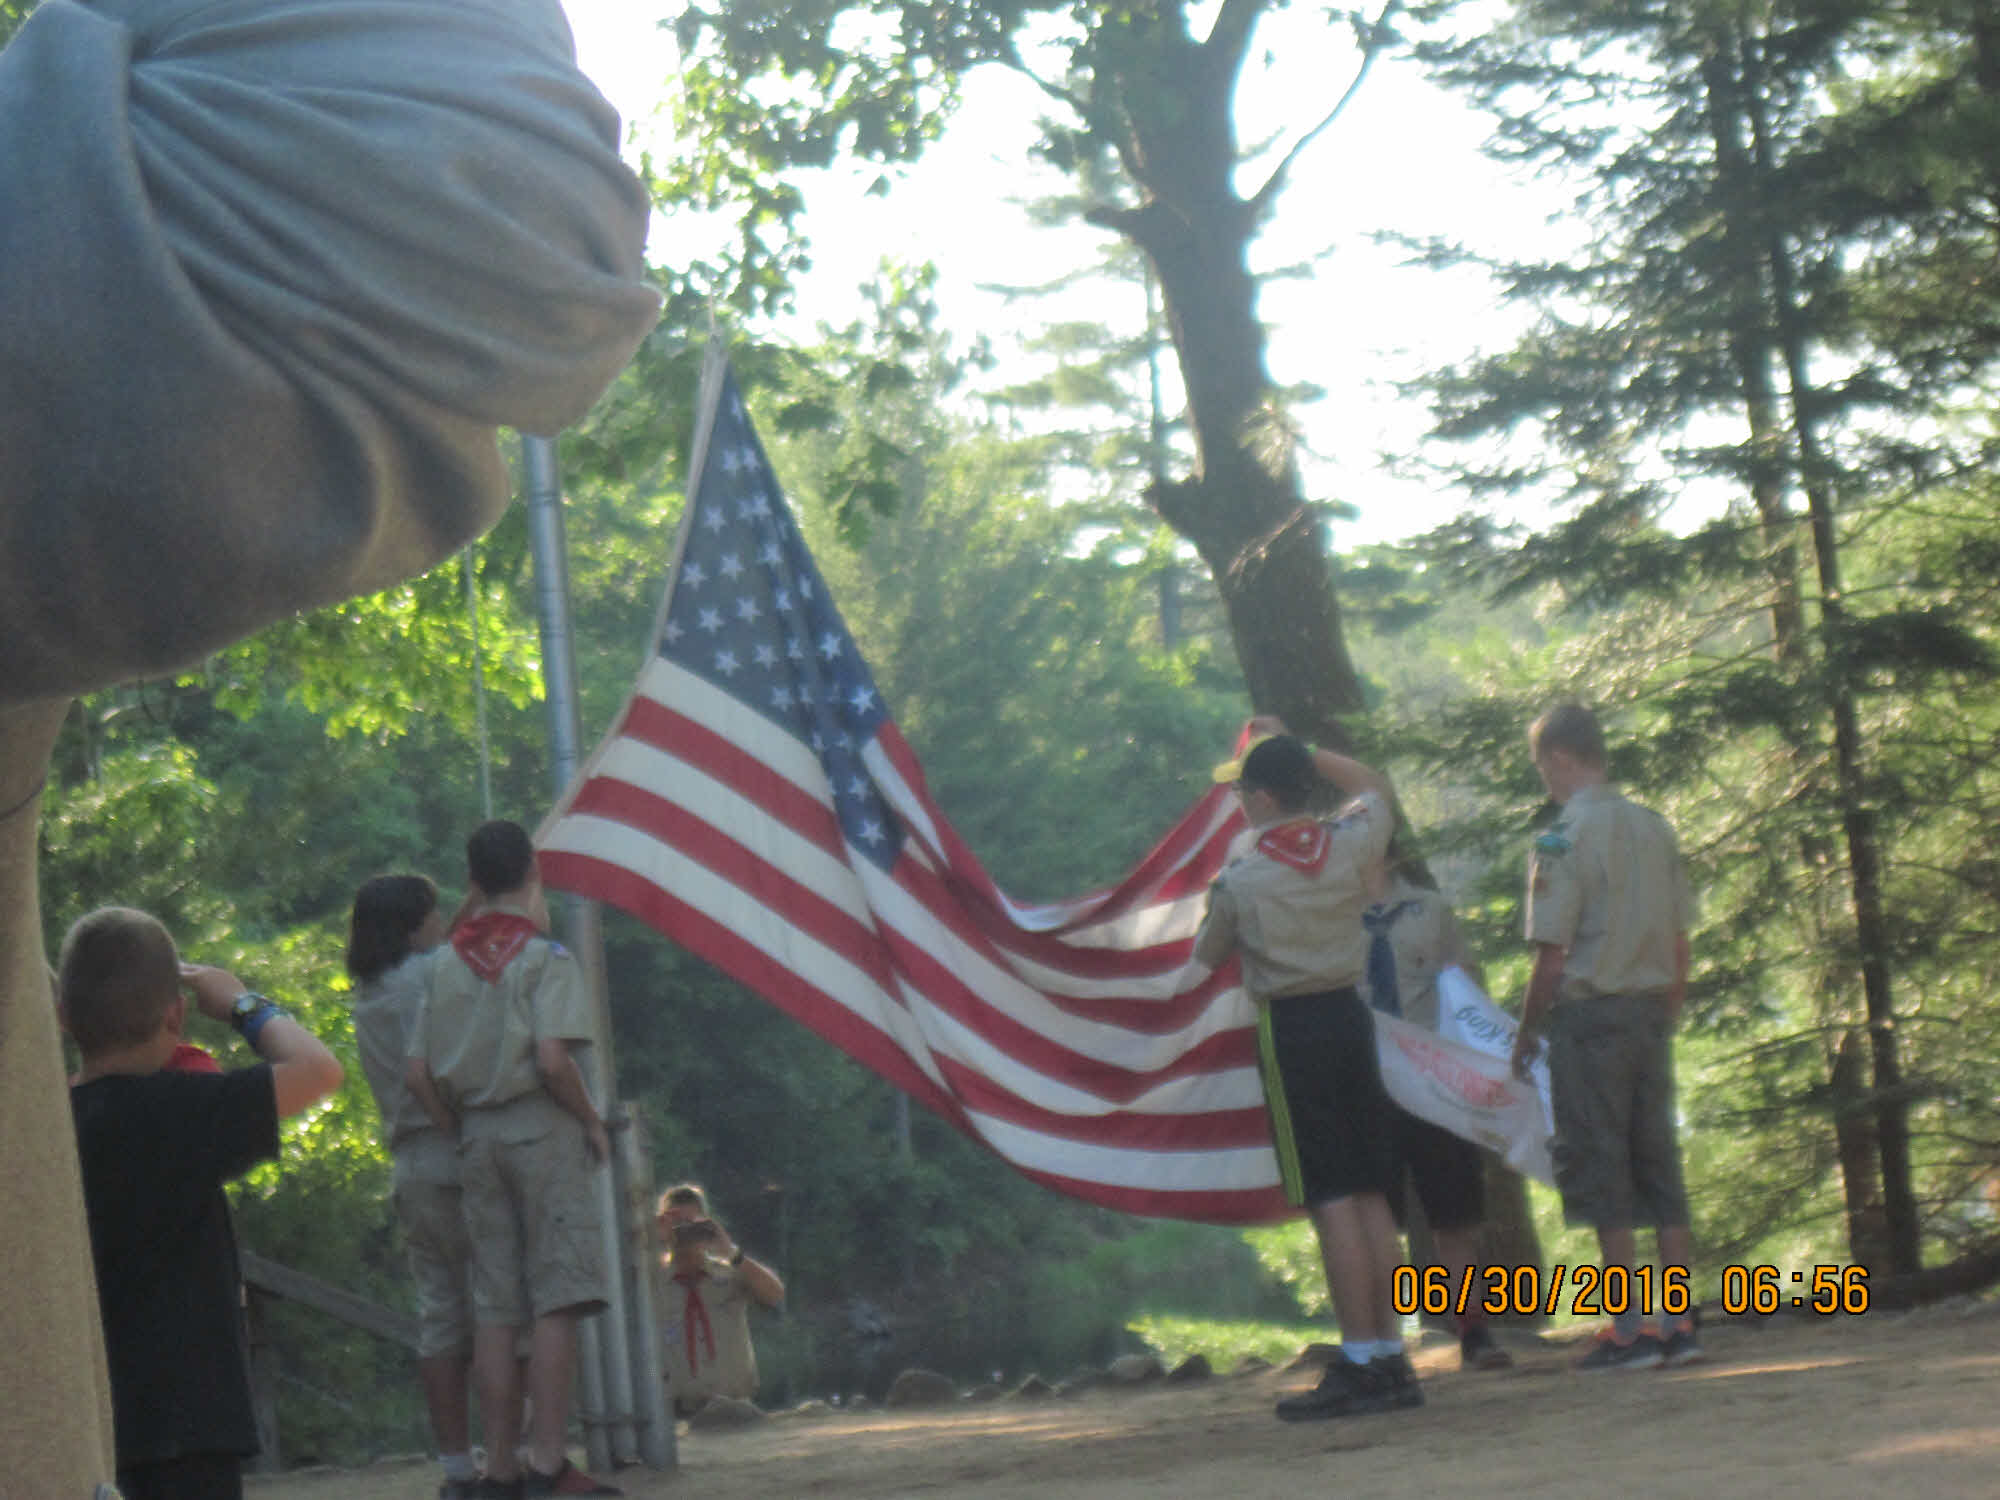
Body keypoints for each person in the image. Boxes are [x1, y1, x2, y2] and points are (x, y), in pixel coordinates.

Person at [0, 0, 656, 1488]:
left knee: (457, 1312)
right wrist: (237, 1005)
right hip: (256, 1361)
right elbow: (510, 193)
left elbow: (396, 1081)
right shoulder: (455, 988)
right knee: (546, 1305)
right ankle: (538, 1458)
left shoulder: (396, 990)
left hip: (433, 1157)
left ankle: (471, 1462)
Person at [62, 907, 346, 1500]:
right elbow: (319, 1069)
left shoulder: (45, 1130)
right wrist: (243, 1004)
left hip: (80, 1419)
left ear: (64, 1018)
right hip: (192, 1420)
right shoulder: (190, 1109)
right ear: (176, 1014)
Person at [1194, 722, 1418, 1421]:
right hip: (1352, 1019)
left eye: (1243, 791)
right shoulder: (1350, 843)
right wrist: (1303, 751)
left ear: (1263, 799)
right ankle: (1392, 1357)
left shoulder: (1242, 877)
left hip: (1293, 1030)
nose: (1238, 803)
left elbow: (1206, 953)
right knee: (1372, 1192)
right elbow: (1374, 786)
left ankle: (1360, 1361)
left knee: (1332, 1197)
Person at [407, 821, 619, 1499]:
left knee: (495, 1306)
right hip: (541, 1130)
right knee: (557, 1297)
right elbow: (552, 1060)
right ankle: (547, 1462)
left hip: (476, 1137)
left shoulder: (440, 965)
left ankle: (497, 1467)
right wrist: (591, 1120)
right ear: (532, 871)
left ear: (471, 880)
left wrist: (456, 1125)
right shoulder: (545, 958)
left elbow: (417, 1072)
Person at [1508, 703, 1701, 1370]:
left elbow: (1552, 955)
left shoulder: (1560, 841)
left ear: (1560, 758)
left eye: (1541, 766)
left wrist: (1526, 1031)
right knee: (1659, 1164)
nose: (1543, 779)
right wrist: (1667, 1011)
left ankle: (1627, 1330)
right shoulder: (1654, 827)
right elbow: (1679, 939)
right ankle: (1679, 1323)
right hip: (1650, 1013)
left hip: (1591, 1021)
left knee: (1603, 1168)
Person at [347, 874, 487, 1500]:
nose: (441, 923)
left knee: (440, 1317)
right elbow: (460, 952)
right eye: (431, 915)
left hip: (409, 1162)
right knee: (497, 1308)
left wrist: (468, 901)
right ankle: (512, 1453)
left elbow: (448, 943)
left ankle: (456, 1465)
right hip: (452, 1148)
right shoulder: (428, 979)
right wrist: (486, 893)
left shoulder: (372, 995)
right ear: (410, 928)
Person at [1357, 853, 1514, 1371]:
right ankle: (1385, 1344)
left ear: (1388, 850)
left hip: (1433, 1079)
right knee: (1374, 1217)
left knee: (1455, 1213)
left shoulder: (1431, 910)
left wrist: (1478, 1068)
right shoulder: (1329, 917)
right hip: (1366, 1081)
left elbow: (1466, 989)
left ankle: (1474, 1330)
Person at [654, 1184, 786, 1416]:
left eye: (691, 1224)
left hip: (736, 1407)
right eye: (677, 1224)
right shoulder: (651, 1283)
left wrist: (730, 1252)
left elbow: (775, 1294)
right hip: (675, 1412)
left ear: (705, 1225)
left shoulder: (730, 1274)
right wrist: (648, 1242)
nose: (684, 1233)